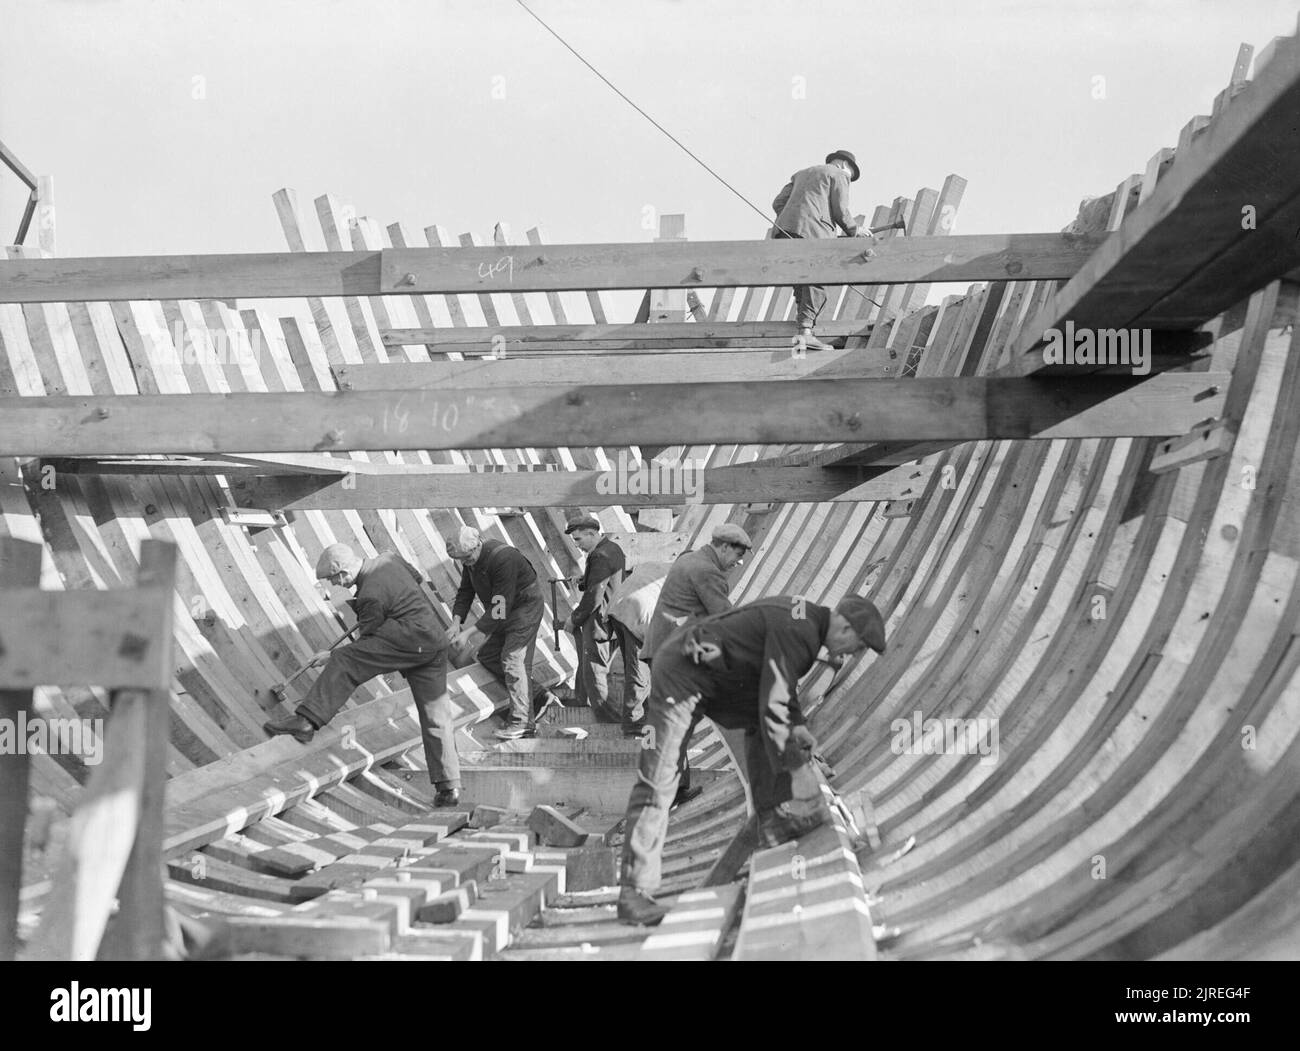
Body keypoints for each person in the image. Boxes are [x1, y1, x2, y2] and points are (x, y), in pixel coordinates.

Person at [617, 593, 887, 925]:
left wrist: (798, 726)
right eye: (856, 646)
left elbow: (778, 690)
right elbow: (773, 707)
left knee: (763, 725)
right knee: (660, 776)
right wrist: (799, 771)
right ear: (845, 627)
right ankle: (633, 893)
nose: (850, 655)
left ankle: (772, 820)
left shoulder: (804, 619)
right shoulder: (801, 630)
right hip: (682, 672)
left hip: (716, 674)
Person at [263, 543, 461, 806]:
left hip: (410, 640)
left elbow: (367, 642)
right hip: (434, 642)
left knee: (346, 660)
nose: (337, 585)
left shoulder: (369, 596)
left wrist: (330, 656)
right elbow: (416, 578)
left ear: (344, 573)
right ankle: (449, 787)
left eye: (334, 580)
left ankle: (306, 722)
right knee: (436, 715)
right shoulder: (390, 557)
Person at [641, 522, 753, 807]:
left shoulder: (690, 560)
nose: (738, 562)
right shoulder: (706, 570)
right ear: (723, 546)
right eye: (737, 555)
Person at [444, 525, 558, 741]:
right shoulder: (470, 559)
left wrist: (468, 634)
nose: (465, 564)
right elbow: (466, 591)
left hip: (525, 607)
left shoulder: (503, 558)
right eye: (461, 560)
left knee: (513, 659)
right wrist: (456, 622)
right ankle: (539, 695)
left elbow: (499, 608)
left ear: (477, 545)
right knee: (488, 656)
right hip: (504, 609)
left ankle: (522, 722)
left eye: (467, 558)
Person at [770, 149, 876, 351]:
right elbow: (841, 209)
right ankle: (806, 333)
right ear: (845, 166)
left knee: (801, 282)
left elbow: (778, 203)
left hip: (786, 232)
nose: (848, 178)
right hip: (813, 235)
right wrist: (855, 230)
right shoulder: (839, 175)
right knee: (817, 282)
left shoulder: (801, 173)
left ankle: (803, 333)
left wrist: (796, 218)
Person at [564, 514, 640, 722]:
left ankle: (607, 718)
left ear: (591, 533)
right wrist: (584, 579)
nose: (577, 545)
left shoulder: (598, 556)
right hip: (614, 618)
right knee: (593, 663)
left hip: (598, 620)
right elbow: (609, 581)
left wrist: (574, 619)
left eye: (579, 540)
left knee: (594, 668)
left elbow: (594, 596)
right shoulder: (613, 549)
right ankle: (581, 700)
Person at [606, 560, 671, 735]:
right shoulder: (686, 576)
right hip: (641, 613)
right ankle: (634, 725)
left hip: (618, 609)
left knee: (635, 669)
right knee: (640, 672)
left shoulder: (659, 566)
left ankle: (642, 719)